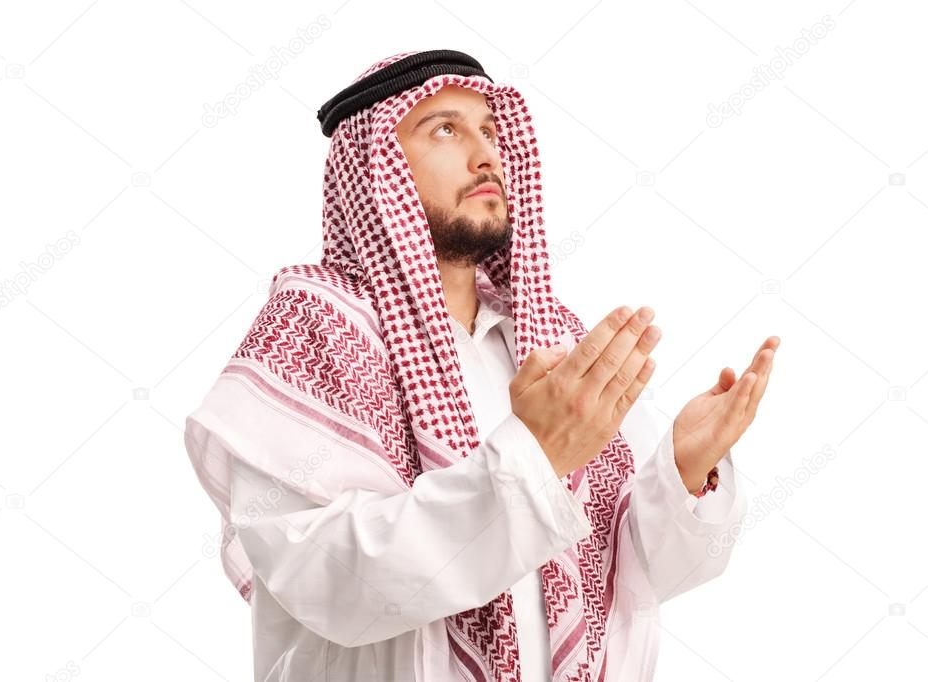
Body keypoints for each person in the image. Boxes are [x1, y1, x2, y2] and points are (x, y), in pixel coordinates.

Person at [183, 49, 779, 681]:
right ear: (374, 168)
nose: (486, 154)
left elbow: (638, 579)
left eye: (490, 130)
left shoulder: (550, 342)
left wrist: (685, 476)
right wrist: (533, 460)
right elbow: (330, 584)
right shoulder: (310, 330)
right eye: (445, 129)